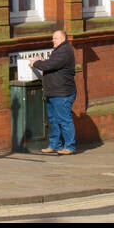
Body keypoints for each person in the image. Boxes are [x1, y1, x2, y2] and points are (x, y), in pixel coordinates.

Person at [32, 27, 77, 155]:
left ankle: (70, 146)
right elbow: (52, 64)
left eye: (55, 38)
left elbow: (50, 65)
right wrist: (42, 61)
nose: (53, 40)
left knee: (64, 120)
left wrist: (36, 63)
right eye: (52, 38)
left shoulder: (65, 51)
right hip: (53, 92)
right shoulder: (59, 51)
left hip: (62, 93)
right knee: (53, 120)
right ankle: (55, 145)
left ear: (63, 39)